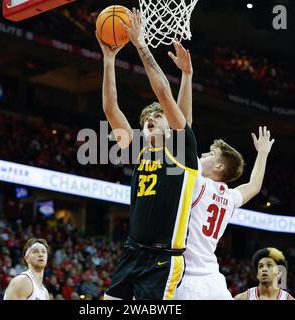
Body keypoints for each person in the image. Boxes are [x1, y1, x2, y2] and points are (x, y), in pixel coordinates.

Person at [97, 8, 200, 300]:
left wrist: (141, 45)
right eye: (146, 120)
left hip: (162, 259)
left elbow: (166, 97)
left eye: (157, 117)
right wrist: (108, 60)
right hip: (132, 253)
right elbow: (110, 109)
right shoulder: (142, 152)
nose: (150, 120)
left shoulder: (182, 153)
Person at [167, 40, 276, 300]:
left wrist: (186, 75)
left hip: (188, 280)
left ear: (218, 167)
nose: (202, 154)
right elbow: (254, 186)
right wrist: (262, 153)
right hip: (215, 282)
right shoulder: (227, 195)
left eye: (209, 154)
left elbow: (183, 126)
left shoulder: (197, 182)